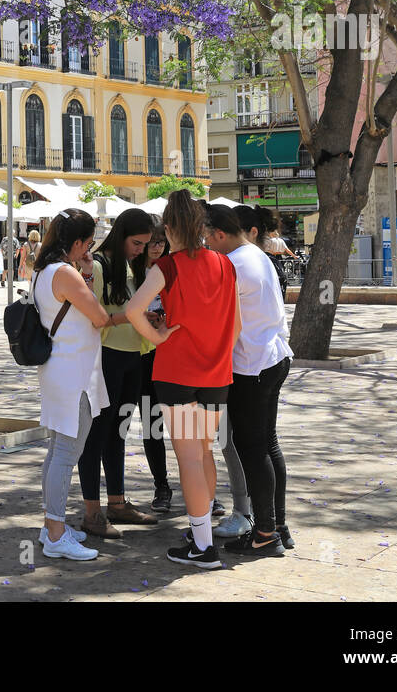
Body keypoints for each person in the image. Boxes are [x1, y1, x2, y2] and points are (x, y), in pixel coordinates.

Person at [125, 190, 239, 570]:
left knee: (189, 459)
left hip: (177, 373)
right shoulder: (225, 265)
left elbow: (132, 308)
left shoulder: (168, 267)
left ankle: (203, 546)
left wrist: (158, 337)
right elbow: (235, 325)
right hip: (216, 374)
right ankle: (201, 530)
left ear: (170, 228)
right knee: (204, 453)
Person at [206, 203, 294, 556]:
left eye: (208, 238)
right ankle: (277, 526)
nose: (208, 245)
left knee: (253, 449)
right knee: (268, 445)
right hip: (273, 357)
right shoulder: (257, 256)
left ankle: (265, 534)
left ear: (221, 234)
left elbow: (228, 323)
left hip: (251, 366)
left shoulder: (234, 263)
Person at [33, 209, 114, 561]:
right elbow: (99, 317)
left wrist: (84, 272)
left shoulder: (43, 270)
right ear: (79, 243)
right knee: (66, 454)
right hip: (73, 374)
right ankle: (54, 533)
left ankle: (52, 526)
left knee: (57, 452)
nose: (89, 249)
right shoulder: (64, 273)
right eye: (89, 242)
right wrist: (85, 271)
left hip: (59, 371)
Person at [77, 208, 160, 539]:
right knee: (96, 437)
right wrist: (131, 316)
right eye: (137, 243)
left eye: (146, 244)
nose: (141, 250)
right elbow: (94, 316)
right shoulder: (96, 266)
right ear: (122, 235)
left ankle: (117, 502)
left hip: (133, 357)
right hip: (106, 359)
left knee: (119, 433)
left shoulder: (132, 267)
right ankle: (91, 512)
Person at [142, 221, 173, 513]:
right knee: (152, 425)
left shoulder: (173, 270)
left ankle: (204, 493)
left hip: (172, 354)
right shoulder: (135, 272)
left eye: (162, 240)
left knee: (187, 425)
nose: (157, 246)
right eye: (152, 241)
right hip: (143, 356)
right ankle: (161, 485)